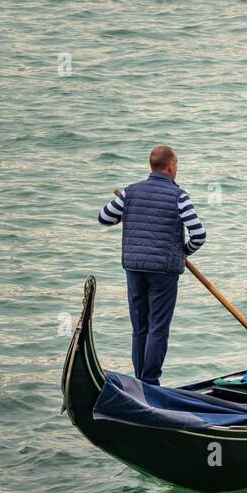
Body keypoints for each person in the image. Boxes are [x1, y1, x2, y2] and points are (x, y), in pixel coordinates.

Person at [99, 145, 206, 385]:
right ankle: (150, 382)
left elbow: (104, 218)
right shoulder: (179, 196)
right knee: (158, 328)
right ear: (171, 167)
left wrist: (127, 214)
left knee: (140, 328)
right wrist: (183, 252)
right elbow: (198, 234)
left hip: (135, 268)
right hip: (164, 271)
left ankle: (139, 381)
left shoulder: (130, 193)